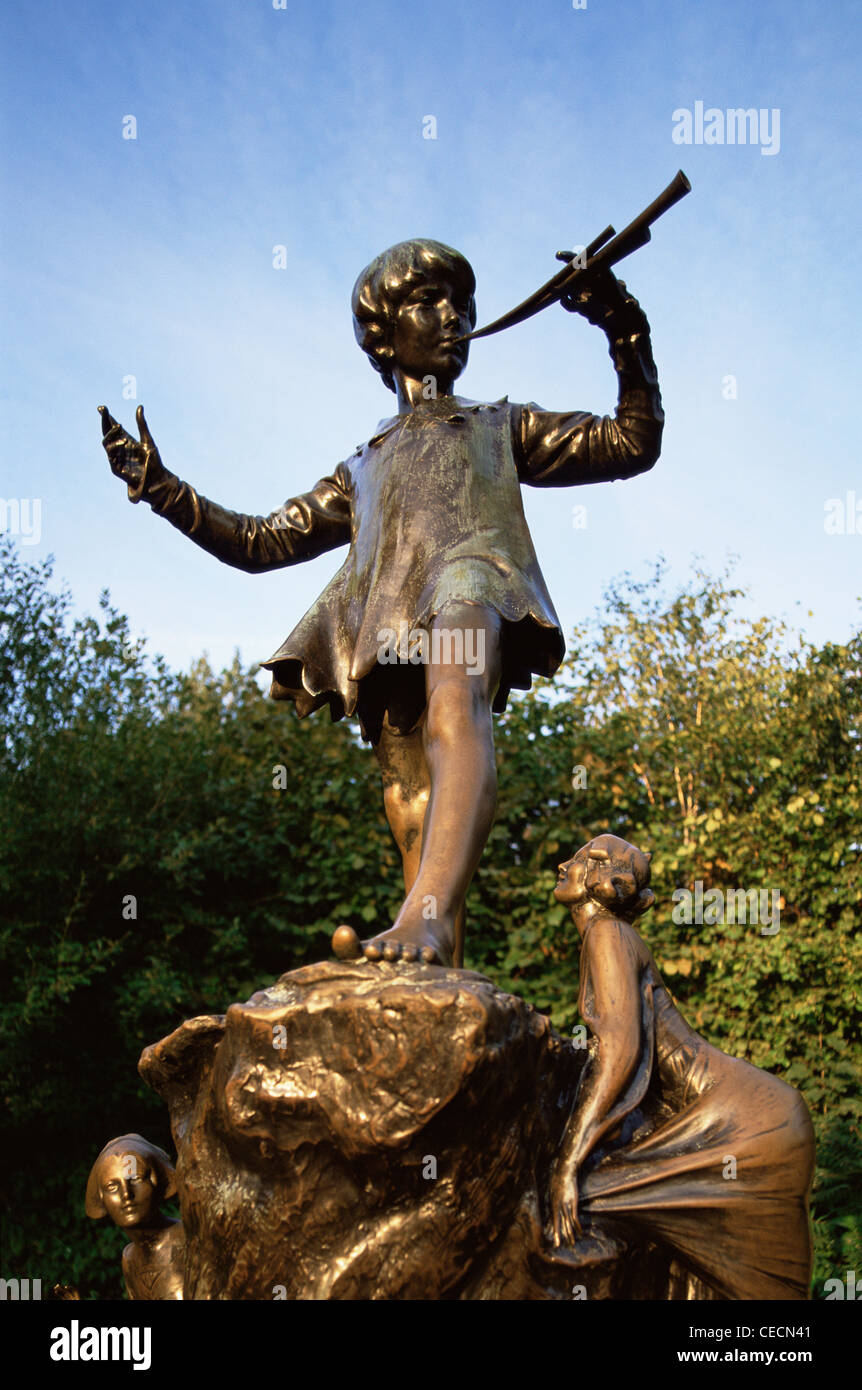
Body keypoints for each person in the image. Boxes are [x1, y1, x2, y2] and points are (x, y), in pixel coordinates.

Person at [99, 240, 663, 968]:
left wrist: (623, 326)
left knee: (458, 706)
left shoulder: (499, 424)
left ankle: (424, 921)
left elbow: (632, 440)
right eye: (427, 303)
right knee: (410, 800)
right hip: (391, 627)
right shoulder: (362, 467)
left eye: (460, 303)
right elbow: (262, 541)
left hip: (473, 582)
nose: (452, 315)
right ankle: (433, 962)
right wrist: (165, 491)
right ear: (383, 335)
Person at [549, 835, 815, 1300]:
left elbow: (621, 1052)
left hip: (742, 1125)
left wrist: (566, 1164)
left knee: (584, 1198)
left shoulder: (607, 934)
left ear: (599, 879)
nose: (562, 865)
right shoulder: (615, 936)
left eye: (577, 859)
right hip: (759, 1114)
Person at [85, 1134, 184, 1300]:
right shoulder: (130, 1259)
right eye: (112, 1186)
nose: (126, 1194)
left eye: (135, 1179)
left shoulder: (192, 1238)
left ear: (155, 1181)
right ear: (102, 1198)